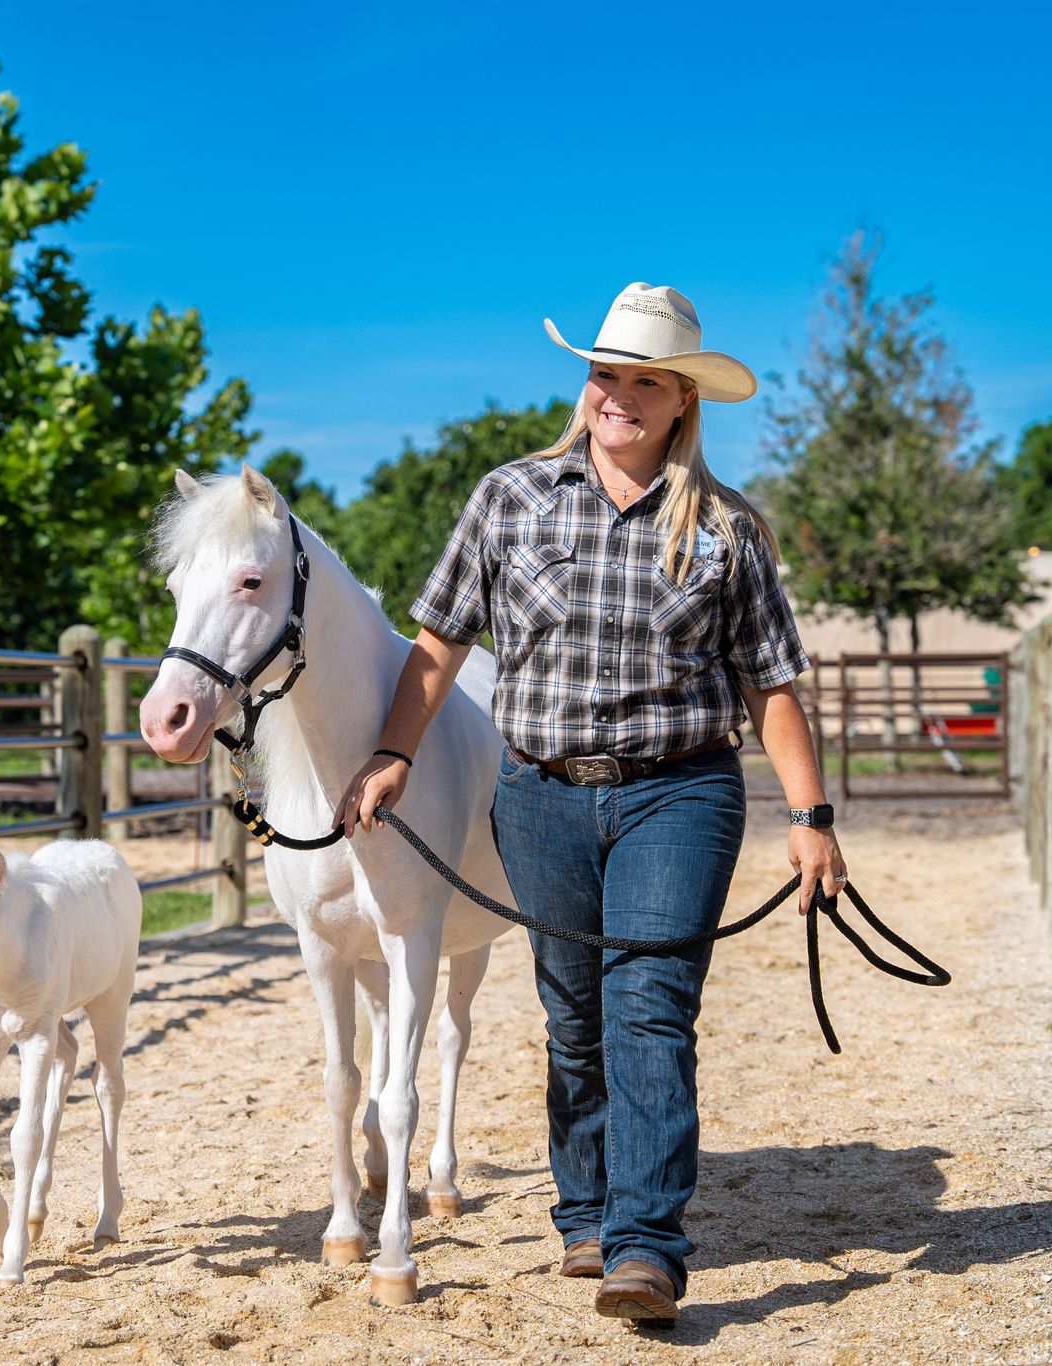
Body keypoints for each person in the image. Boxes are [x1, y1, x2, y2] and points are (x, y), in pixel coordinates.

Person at [334, 283, 845, 1325]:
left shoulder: (727, 531)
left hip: (680, 792)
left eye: (643, 380)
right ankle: (584, 1213)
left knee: (647, 1007)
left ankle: (645, 1246)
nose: (617, 394)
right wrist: (392, 752)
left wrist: (810, 816)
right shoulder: (509, 498)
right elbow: (436, 649)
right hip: (540, 796)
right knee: (572, 1018)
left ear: (679, 401)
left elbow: (770, 683)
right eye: (605, 373)